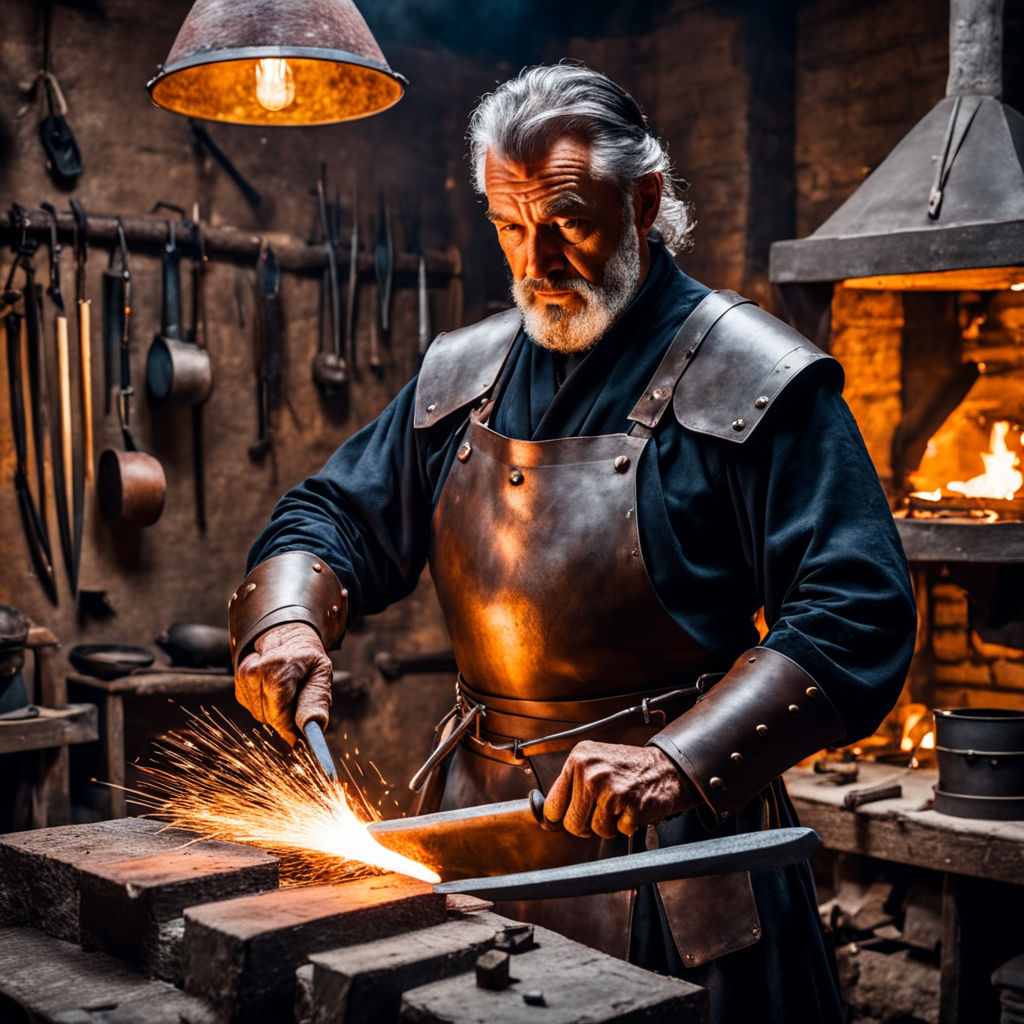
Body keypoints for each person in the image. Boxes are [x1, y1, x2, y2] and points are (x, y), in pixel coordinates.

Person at [229, 63, 915, 1023]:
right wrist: (291, 620)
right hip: (474, 837)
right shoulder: (464, 371)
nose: (535, 262)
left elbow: (858, 611)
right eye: (512, 227)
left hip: (670, 861)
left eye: (567, 224)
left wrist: (674, 759)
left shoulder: (758, 377)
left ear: (643, 202)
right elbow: (330, 515)